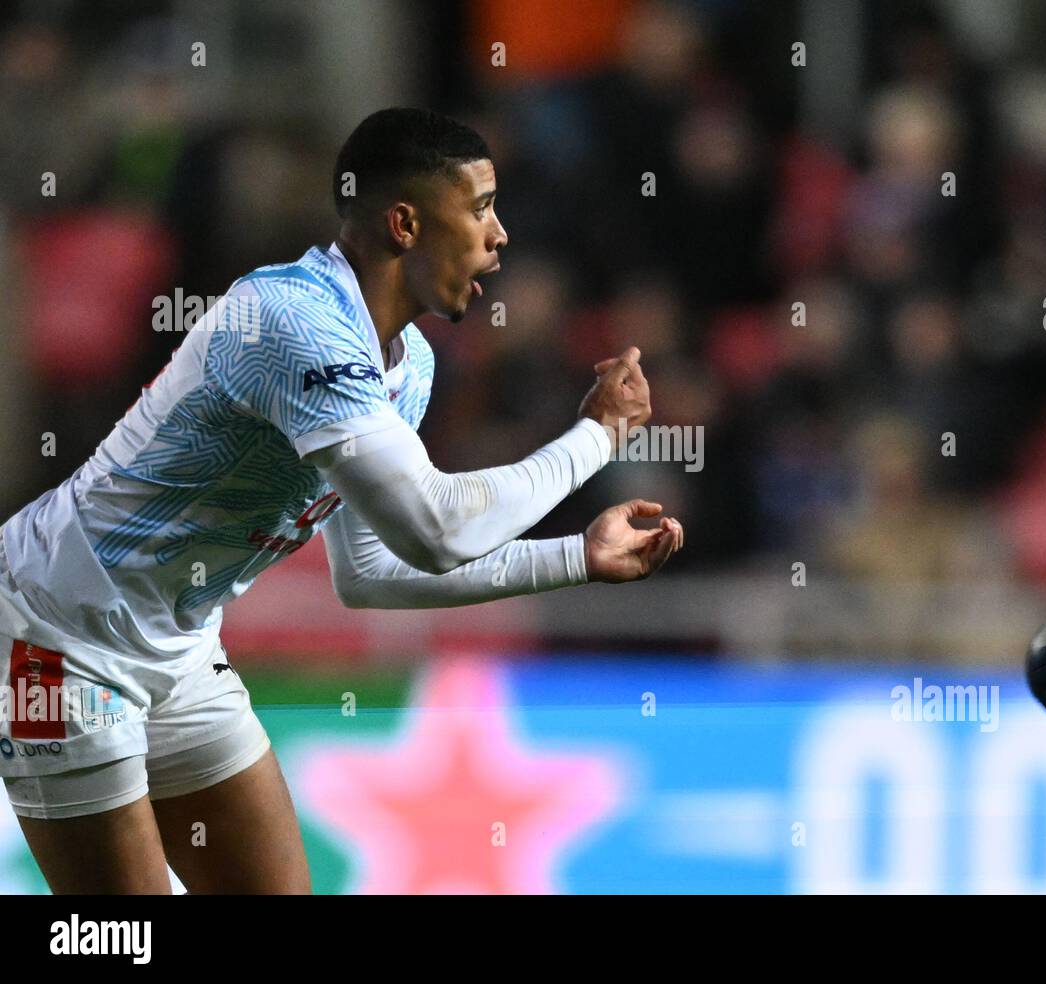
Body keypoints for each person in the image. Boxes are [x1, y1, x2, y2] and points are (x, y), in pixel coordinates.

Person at [0, 107, 683, 894]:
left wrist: (575, 556)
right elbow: (435, 527)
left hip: (176, 649)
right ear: (405, 223)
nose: (500, 236)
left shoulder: (408, 365)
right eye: (482, 208)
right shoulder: (291, 322)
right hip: (61, 635)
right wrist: (596, 438)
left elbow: (372, 571)